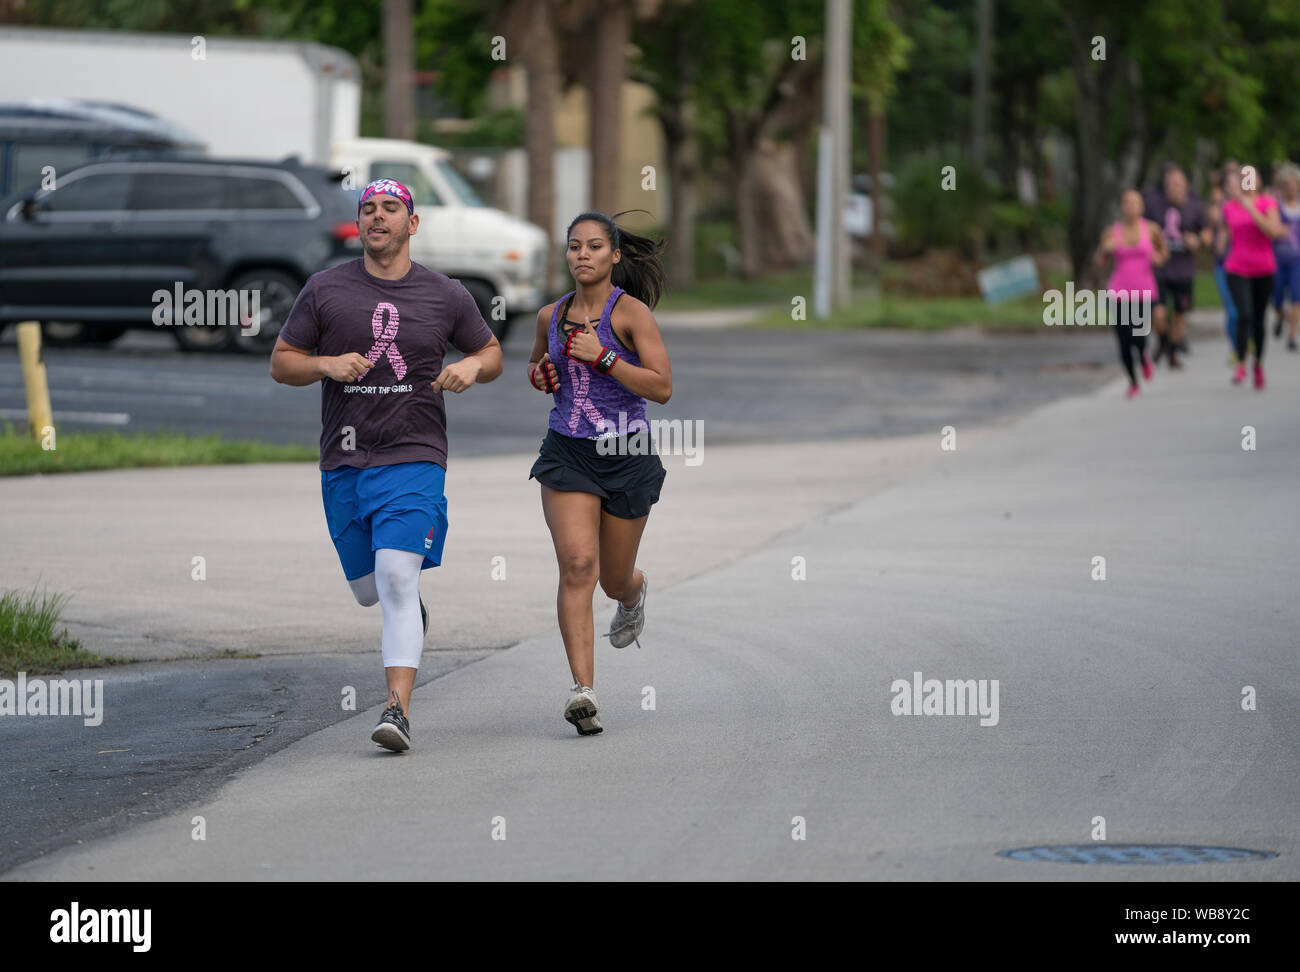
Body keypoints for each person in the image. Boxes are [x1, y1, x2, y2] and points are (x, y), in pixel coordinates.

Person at [269, 178, 503, 751]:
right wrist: (324, 364)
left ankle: (396, 710)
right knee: (370, 591)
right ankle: (410, 608)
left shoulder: (446, 294)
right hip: (344, 459)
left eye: (391, 209)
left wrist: (472, 368)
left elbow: (491, 352)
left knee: (397, 576)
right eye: (368, 209)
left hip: (415, 453)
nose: (378, 217)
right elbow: (282, 363)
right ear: (360, 223)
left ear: (412, 224)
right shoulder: (325, 290)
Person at [526, 211, 672, 735]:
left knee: (611, 579)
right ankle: (582, 691)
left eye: (592, 246)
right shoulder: (551, 315)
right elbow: (539, 366)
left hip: (627, 453)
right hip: (568, 453)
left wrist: (605, 357)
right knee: (577, 564)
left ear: (613, 255)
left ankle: (632, 594)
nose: (582, 255)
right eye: (573, 247)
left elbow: (660, 387)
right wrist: (542, 374)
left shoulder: (631, 315)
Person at [1095, 189, 1169, 398]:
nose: (1130, 207)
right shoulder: (1111, 232)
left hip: (1143, 290)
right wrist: (1104, 249)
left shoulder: (1152, 229)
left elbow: (1164, 253)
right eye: (1126, 203)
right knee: (1123, 338)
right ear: (1121, 207)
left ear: (1142, 207)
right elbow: (1099, 262)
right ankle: (1133, 381)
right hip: (1119, 291)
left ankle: (1144, 356)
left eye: (1135, 203)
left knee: (1138, 334)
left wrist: (1158, 258)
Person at [1222, 161, 1286, 389]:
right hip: (1237, 268)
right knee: (1244, 314)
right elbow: (1226, 234)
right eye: (1243, 177)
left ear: (1258, 181)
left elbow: (1272, 230)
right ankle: (1241, 362)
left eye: (1252, 176)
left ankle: (1258, 363)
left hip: (1263, 268)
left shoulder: (1268, 203)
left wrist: (1250, 207)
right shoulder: (1229, 206)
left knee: (1259, 319)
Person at [1143, 164, 1206, 368]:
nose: (1174, 188)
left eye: (1178, 184)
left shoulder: (1195, 205)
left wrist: (1197, 240)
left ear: (1186, 185)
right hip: (1159, 269)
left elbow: (1206, 233)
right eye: (1170, 184)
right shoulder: (1154, 204)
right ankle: (1162, 341)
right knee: (1158, 313)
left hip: (1184, 270)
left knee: (1179, 315)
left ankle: (1172, 352)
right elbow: (1142, 230)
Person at [1206, 175, 1239, 360]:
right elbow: (1211, 237)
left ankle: (1247, 337)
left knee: (1245, 308)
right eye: (1229, 185)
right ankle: (1235, 347)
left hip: (1246, 266)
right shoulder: (1217, 210)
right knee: (1232, 310)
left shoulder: (1250, 207)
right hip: (1223, 264)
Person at [1269, 162, 1300, 352]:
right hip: (1278, 259)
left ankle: (1291, 336)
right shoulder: (1275, 207)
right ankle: (1280, 316)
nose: (1292, 188)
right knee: (1276, 298)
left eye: (1294, 183)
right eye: (1287, 184)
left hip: (1297, 260)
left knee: (1297, 298)